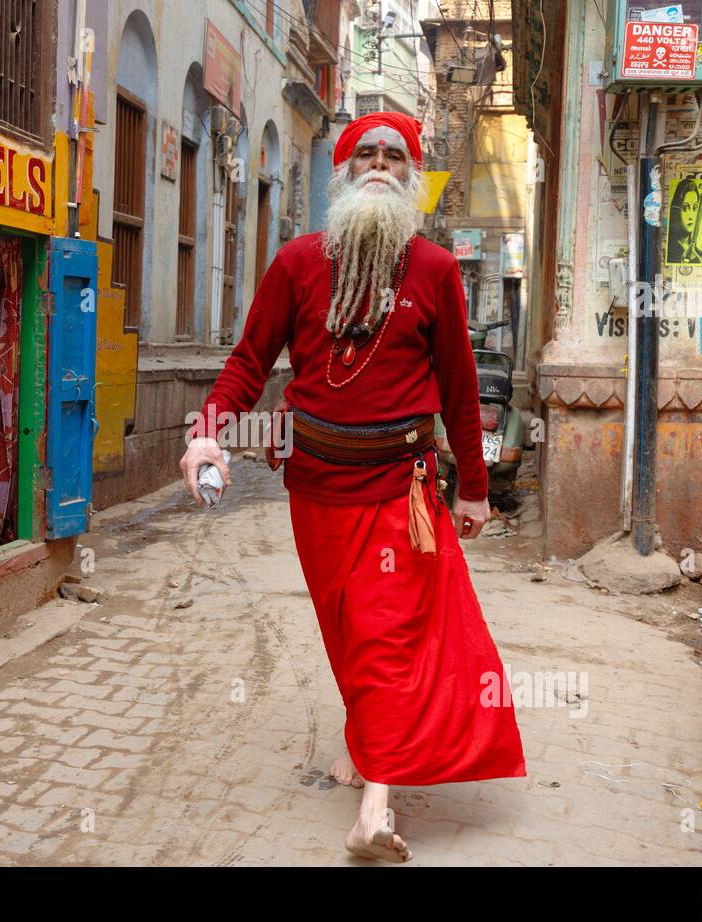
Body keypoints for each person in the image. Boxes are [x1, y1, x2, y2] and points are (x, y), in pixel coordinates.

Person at [179, 111, 526, 864]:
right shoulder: (298, 263)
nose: (378, 165)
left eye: (393, 157)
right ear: (342, 174)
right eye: (364, 154)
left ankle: (377, 807)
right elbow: (248, 361)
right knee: (345, 625)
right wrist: (209, 430)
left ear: (412, 177)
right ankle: (367, 741)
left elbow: (461, 394)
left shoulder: (433, 269)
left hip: (401, 493)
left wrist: (472, 490)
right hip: (313, 489)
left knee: (385, 635)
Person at [666, 178, 702, 265]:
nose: (691, 216)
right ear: (676, 211)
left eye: (695, 208)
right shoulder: (671, 252)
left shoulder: (700, 255)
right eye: (685, 208)